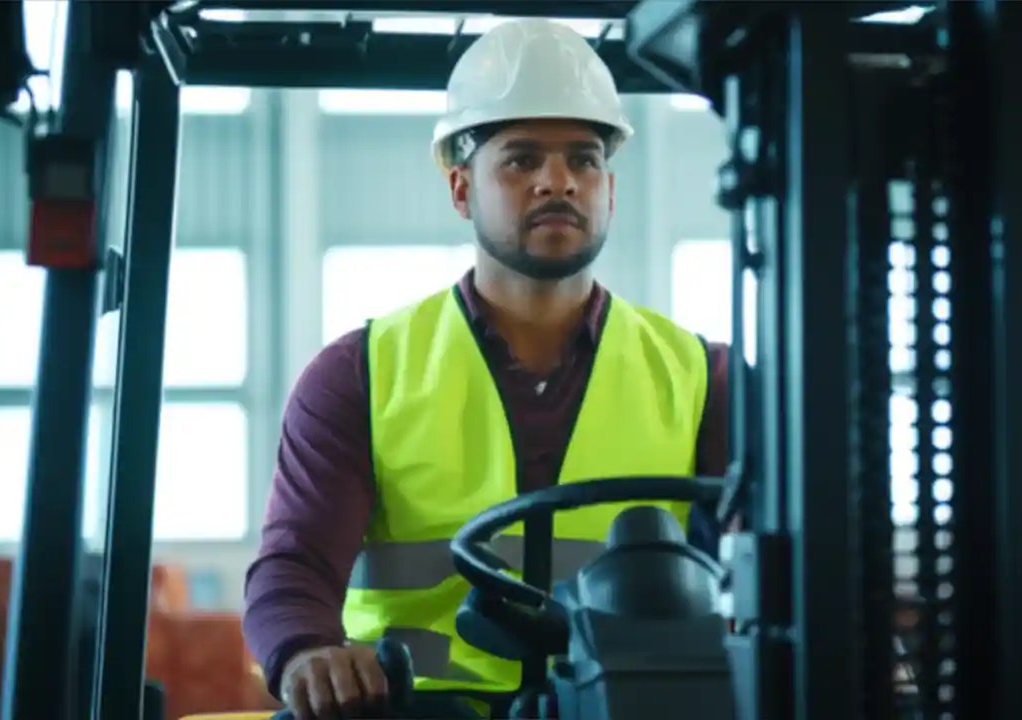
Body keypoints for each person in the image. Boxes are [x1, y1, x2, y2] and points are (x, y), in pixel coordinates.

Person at [242, 17, 731, 720]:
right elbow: (297, 563)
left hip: (630, 702)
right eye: (522, 160)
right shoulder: (361, 373)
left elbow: (772, 563)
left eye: (584, 160)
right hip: (422, 708)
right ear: (461, 189)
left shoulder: (703, 377)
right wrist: (307, 654)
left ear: (610, 191)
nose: (557, 182)